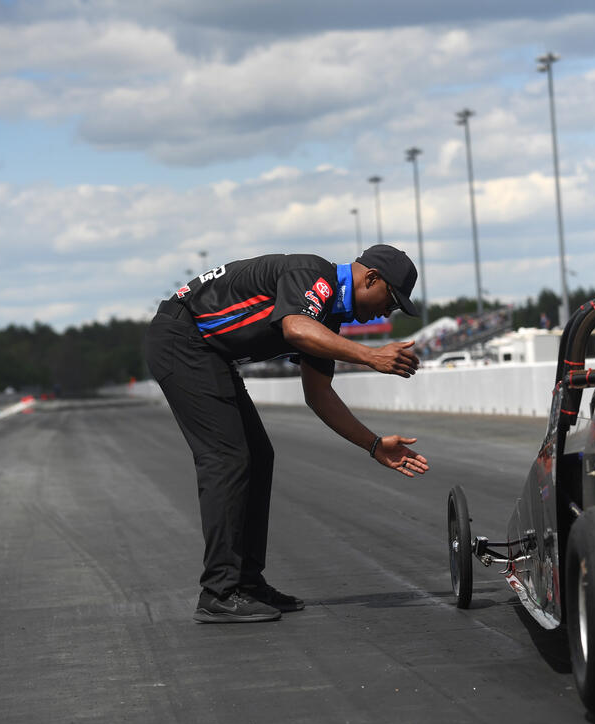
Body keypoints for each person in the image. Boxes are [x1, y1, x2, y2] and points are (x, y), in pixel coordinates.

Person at [144, 244, 430, 623]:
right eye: (390, 300)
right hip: (181, 340)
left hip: (206, 352)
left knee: (259, 456)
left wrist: (373, 444)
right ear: (371, 278)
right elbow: (295, 326)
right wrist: (371, 355)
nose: (386, 311)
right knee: (226, 458)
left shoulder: (325, 322)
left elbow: (318, 395)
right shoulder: (314, 275)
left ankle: (246, 582)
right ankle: (220, 592)